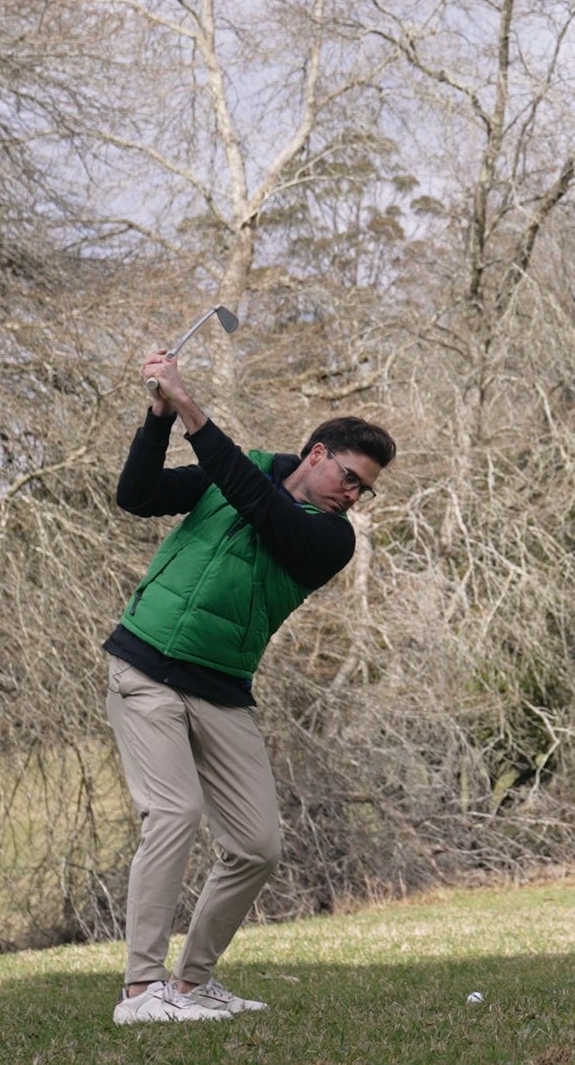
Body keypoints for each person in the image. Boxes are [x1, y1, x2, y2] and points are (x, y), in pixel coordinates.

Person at [102, 347, 394, 1025]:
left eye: (364, 490)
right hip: (145, 666)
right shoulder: (245, 471)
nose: (353, 495)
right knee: (173, 814)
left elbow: (259, 505)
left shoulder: (329, 539)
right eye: (350, 477)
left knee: (258, 847)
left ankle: (194, 982)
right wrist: (157, 415)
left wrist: (191, 407)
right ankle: (142, 992)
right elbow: (136, 496)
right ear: (317, 453)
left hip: (222, 688)